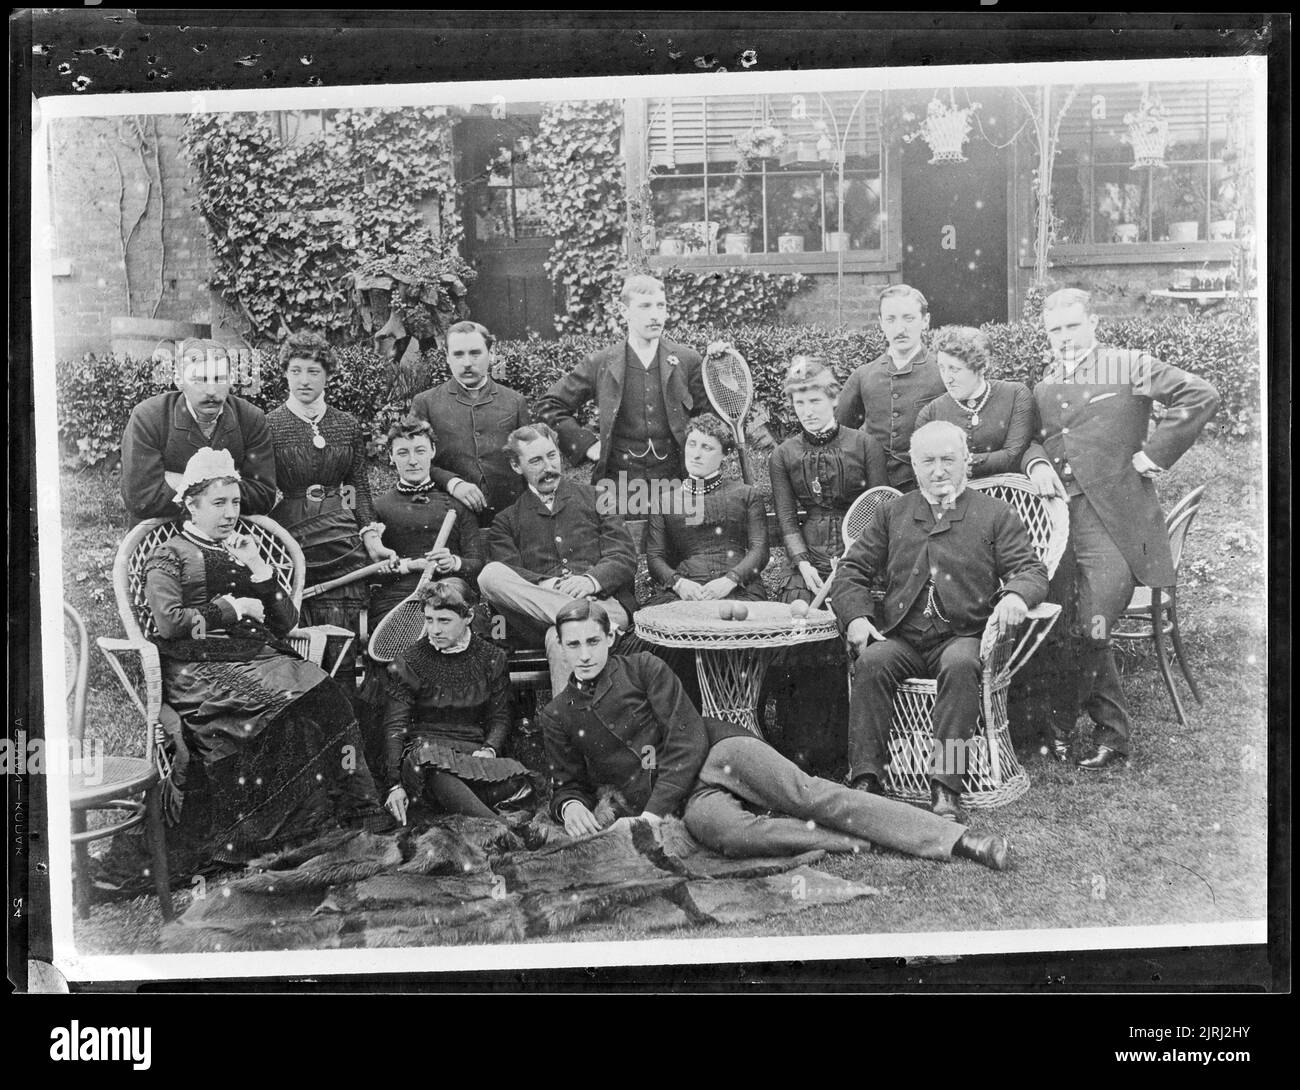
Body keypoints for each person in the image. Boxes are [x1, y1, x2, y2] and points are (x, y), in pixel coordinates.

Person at [541, 598, 1010, 870]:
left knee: (808, 794)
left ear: (610, 638)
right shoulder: (558, 714)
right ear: (560, 647)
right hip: (686, 803)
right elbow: (566, 781)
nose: (584, 654)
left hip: (716, 752)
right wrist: (571, 804)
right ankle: (855, 841)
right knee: (729, 836)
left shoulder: (643, 667)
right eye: (573, 644)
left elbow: (685, 739)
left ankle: (957, 839)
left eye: (593, 641)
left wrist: (649, 816)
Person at [138, 447, 385, 871]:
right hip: (202, 667)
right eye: (218, 503)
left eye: (235, 502)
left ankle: (348, 817)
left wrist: (257, 567)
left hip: (261, 657)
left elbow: (287, 620)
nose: (230, 512)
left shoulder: (244, 548)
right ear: (191, 507)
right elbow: (169, 623)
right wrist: (231, 610)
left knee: (326, 697)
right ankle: (255, 837)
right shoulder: (172, 554)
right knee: (279, 710)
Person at [1020, 288, 1220, 769]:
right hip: (1061, 523)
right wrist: (1035, 464)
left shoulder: (1122, 364)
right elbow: (1030, 440)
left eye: (1072, 326)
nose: (1064, 338)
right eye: (1055, 330)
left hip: (1117, 523)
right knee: (1053, 618)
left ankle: (1063, 722)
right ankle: (1100, 733)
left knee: (1093, 621)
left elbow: (1202, 394)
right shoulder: (1045, 387)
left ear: (1092, 323)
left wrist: (1156, 453)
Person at [833, 421, 1049, 822]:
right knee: (872, 663)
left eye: (948, 460)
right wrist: (857, 619)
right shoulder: (892, 513)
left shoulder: (994, 515)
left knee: (962, 665)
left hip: (962, 635)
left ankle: (946, 786)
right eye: (927, 461)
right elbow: (851, 572)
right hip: (904, 637)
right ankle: (866, 778)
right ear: (913, 467)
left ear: (966, 461)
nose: (938, 471)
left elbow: (1031, 570)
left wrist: (1017, 594)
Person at [765, 355, 887, 775]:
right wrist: (801, 562)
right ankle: (804, 750)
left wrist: (858, 559)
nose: (808, 410)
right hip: (812, 562)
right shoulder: (783, 455)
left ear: (833, 398)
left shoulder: (864, 444)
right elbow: (785, 518)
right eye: (799, 404)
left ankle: (850, 751)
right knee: (803, 644)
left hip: (862, 556)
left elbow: (879, 506)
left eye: (815, 400)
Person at [479, 423, 637, 696]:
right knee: (491, 574)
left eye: (552, 456)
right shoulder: (506, 521)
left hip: (605, 606)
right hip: (541, 618)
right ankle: (585, 619)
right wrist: (551, 587)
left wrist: (590, 581)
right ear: (517, 467)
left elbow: (623, 556)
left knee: (560, 638)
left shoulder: (597, 498)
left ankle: (570, 735)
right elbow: (510, 576)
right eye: (536, 460)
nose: (548, 466)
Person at [267, 331, 393, 638]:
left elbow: (357, 489)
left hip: (341, 532)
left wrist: (370, 537)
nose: (304, 380)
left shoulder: (347, 425)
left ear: (327, 376)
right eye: (295, 371)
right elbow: (264, 489)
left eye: (313, 372)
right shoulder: (269, 424)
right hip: (291, 531)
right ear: (285, 374)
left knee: (342, 624)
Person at [533, 273, 707, 492]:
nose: (655, 315)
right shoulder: (601, 362)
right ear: (625, 312)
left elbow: (708, 417)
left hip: (677, 481)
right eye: (645, 306)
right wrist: (586, 445)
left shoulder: (688, 360)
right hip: (618, 484)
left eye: (660, 306)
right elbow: (549, 405)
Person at [381, 578, 530, 829]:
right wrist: (394, 784)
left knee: (521, 781)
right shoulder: (408, 660)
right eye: (429, 620)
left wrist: (490, 749)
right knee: (433, 768)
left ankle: (454, 809)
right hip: (425, 755)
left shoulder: (492, 657)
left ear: (468, 616)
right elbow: (395, 726)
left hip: (473, 755)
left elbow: (500, 717)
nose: (435, 630)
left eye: (444, 621)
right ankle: (501, 828)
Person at [121, 338, 277, 523]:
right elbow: (141, 499)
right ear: (179, 380)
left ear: (231, 380)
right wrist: (228, 489)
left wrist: (183, 481)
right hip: (163, 538)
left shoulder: (251, 419)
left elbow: (263, 497)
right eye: (199, 380)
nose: (211, 390)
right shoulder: (148, 417)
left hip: (230, 538)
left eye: (219, 379)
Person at [409, 320, 533, 532]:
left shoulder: (515, 401)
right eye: (458, 354)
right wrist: (453, 483)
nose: (467, 362)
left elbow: (529, 460)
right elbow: (413, 462)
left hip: (510, 517)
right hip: (450, 516)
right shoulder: (426, 403)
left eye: (475, 353)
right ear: (447, 357)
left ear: (491, 354)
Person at [642, 413, 770, 607]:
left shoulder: (746, 495)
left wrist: (731, 579)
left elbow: (760, 549)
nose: (696, 454)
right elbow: (655, 556)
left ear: (724, 454)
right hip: (687, 592)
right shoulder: (664, 501)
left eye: (707, 447)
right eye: (691, 444)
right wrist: (678, 583)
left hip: (739, 590)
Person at [369, 417, 484, 627]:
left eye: (420, 451)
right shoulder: (378, 508)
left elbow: (477, 563)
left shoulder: (457, 505)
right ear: (391, 457)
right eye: (403, 453)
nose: (413, 460)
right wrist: (404, 566)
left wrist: (454, 562)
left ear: (432, 452)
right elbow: (371, 567)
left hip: (452, 593)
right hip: (398, 599)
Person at [834, 284, 947, 492]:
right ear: (881, 323)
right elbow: (839, 435)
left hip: (929, 487)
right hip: (874, 490)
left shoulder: (944, 373)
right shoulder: (864, 375)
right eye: (891, 319)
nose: (900, 329)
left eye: (909, 318)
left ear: (925, 321)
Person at [913, 325, 1035, 477]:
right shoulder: (930, 414)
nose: (947, 378)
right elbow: (925, 468)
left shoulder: (1016, 395)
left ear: (983, 367)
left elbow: (1013, 457)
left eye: (954, 369)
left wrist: (956, 464)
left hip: (1010, 496)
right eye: (942, 368)